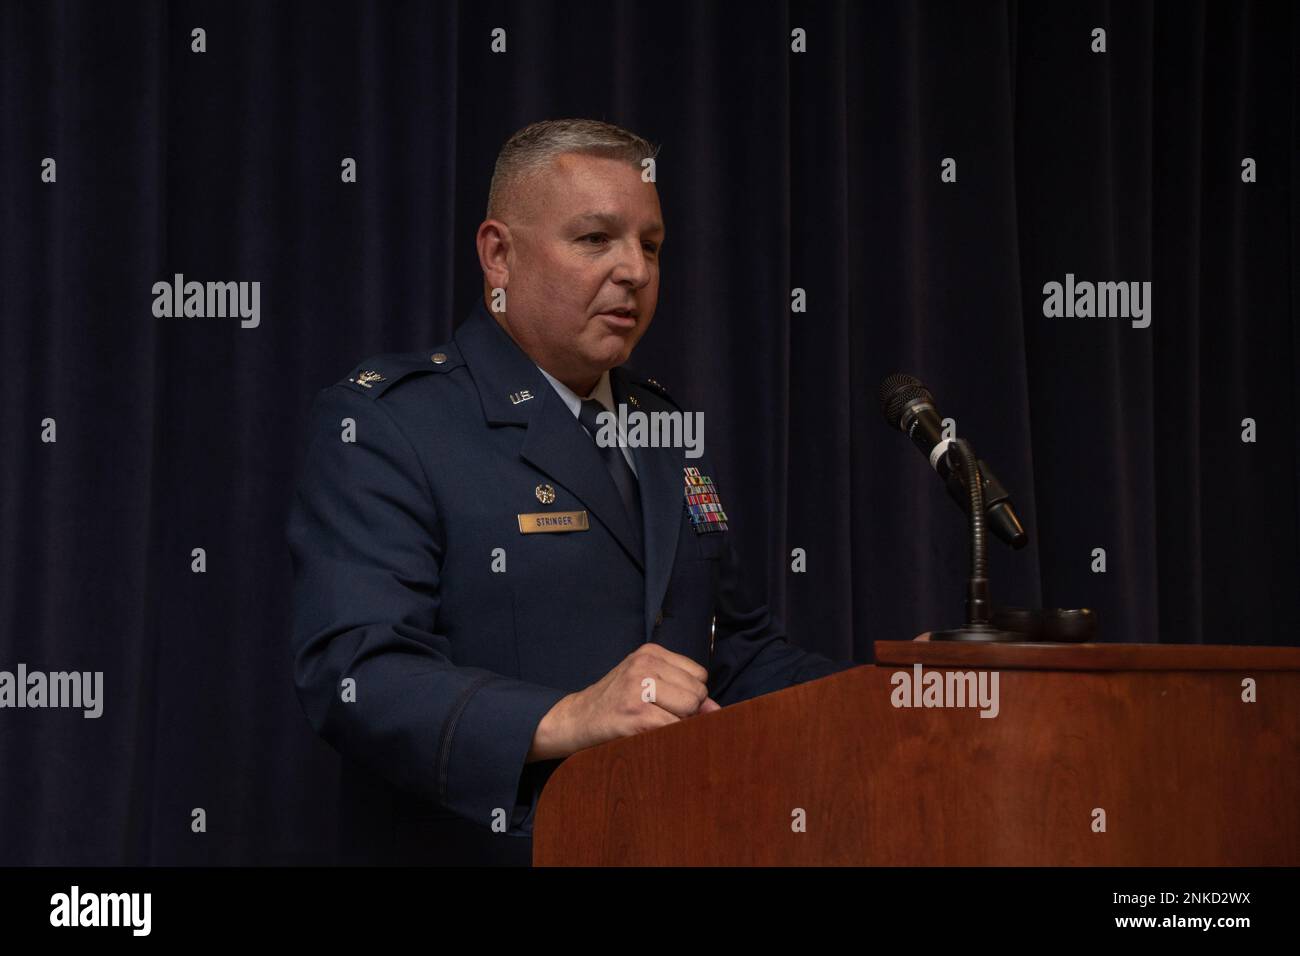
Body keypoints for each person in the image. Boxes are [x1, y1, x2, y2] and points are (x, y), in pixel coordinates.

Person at [286, 118, 856, 865]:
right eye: (596, 240)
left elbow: (734, 651)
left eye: (650, 246)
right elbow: (356, 676)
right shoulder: (391, 423)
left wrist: (885, 698)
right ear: (499, 255)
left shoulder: (662, 425)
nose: (635, 272)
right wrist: (570, 715)